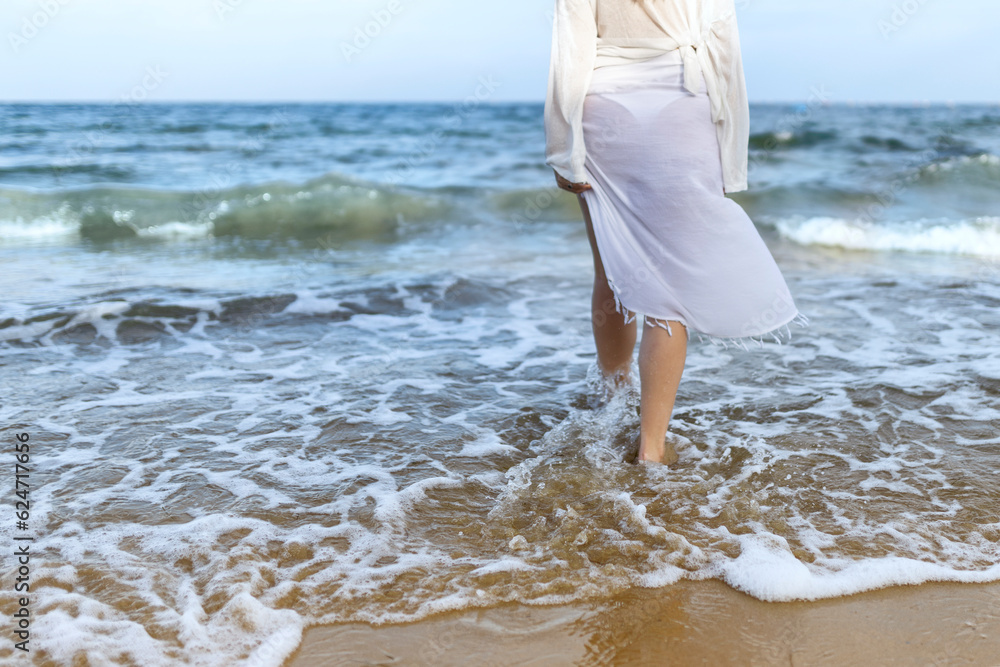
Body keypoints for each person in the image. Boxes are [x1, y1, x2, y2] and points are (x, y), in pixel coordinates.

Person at [544, 0, 807, 465]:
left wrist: (565, 149)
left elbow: (571, 47)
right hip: (681, 107)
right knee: (668, 289)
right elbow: (723, 49)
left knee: (610, 267)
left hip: (604, 111)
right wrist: (732, 160)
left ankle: (614, 398)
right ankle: (651, 447)